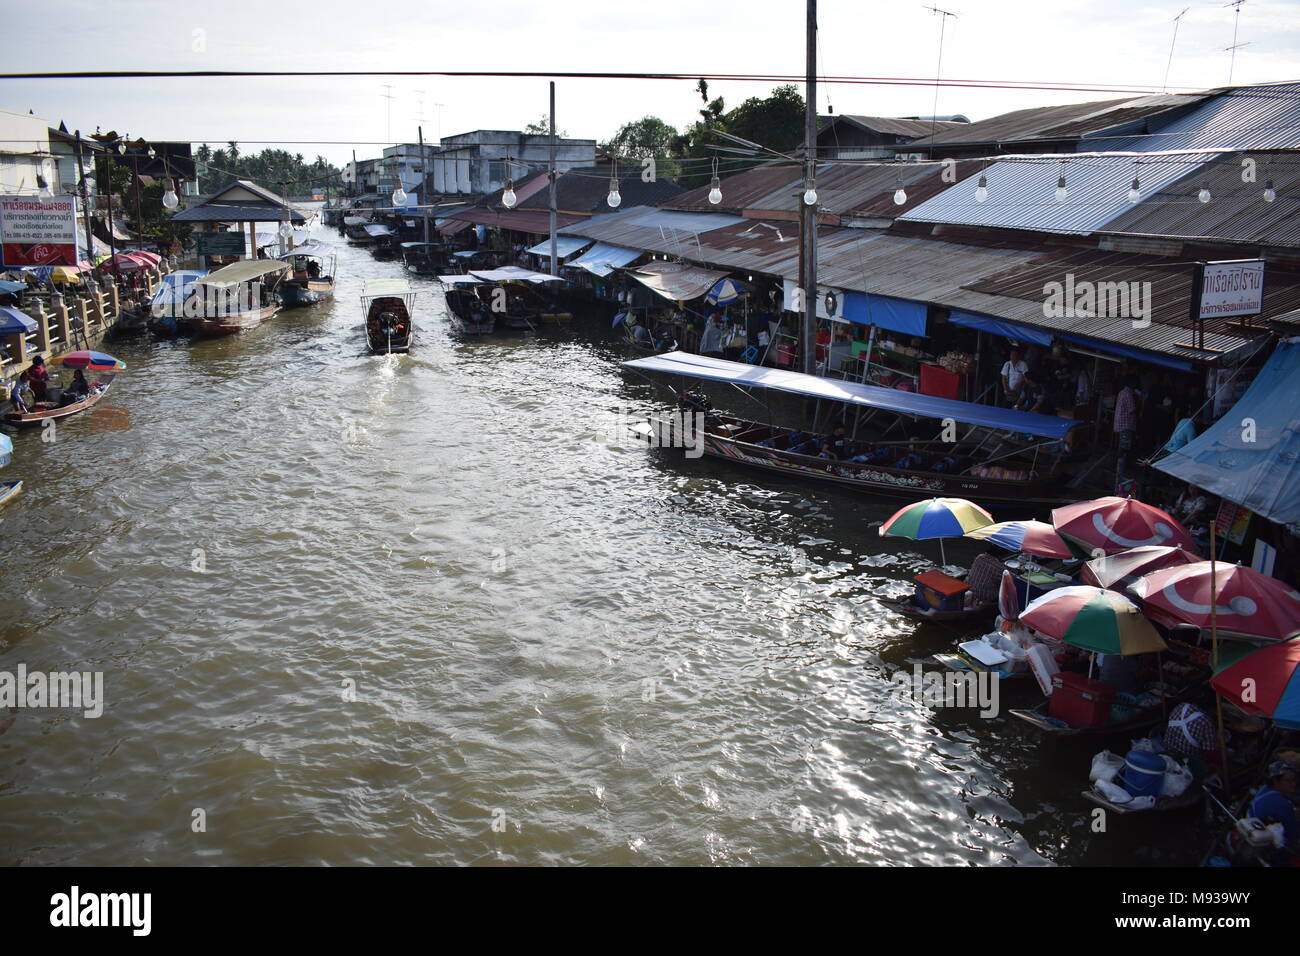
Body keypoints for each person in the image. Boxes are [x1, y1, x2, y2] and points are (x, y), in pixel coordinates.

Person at [1249, 762, 1299, 860]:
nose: (1294, 784)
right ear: (1276, 781)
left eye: (1295, 780)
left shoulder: (1265, 789)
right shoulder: (1282, 804)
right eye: (1289, 781)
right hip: (1269, 847)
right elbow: (1293, 834)